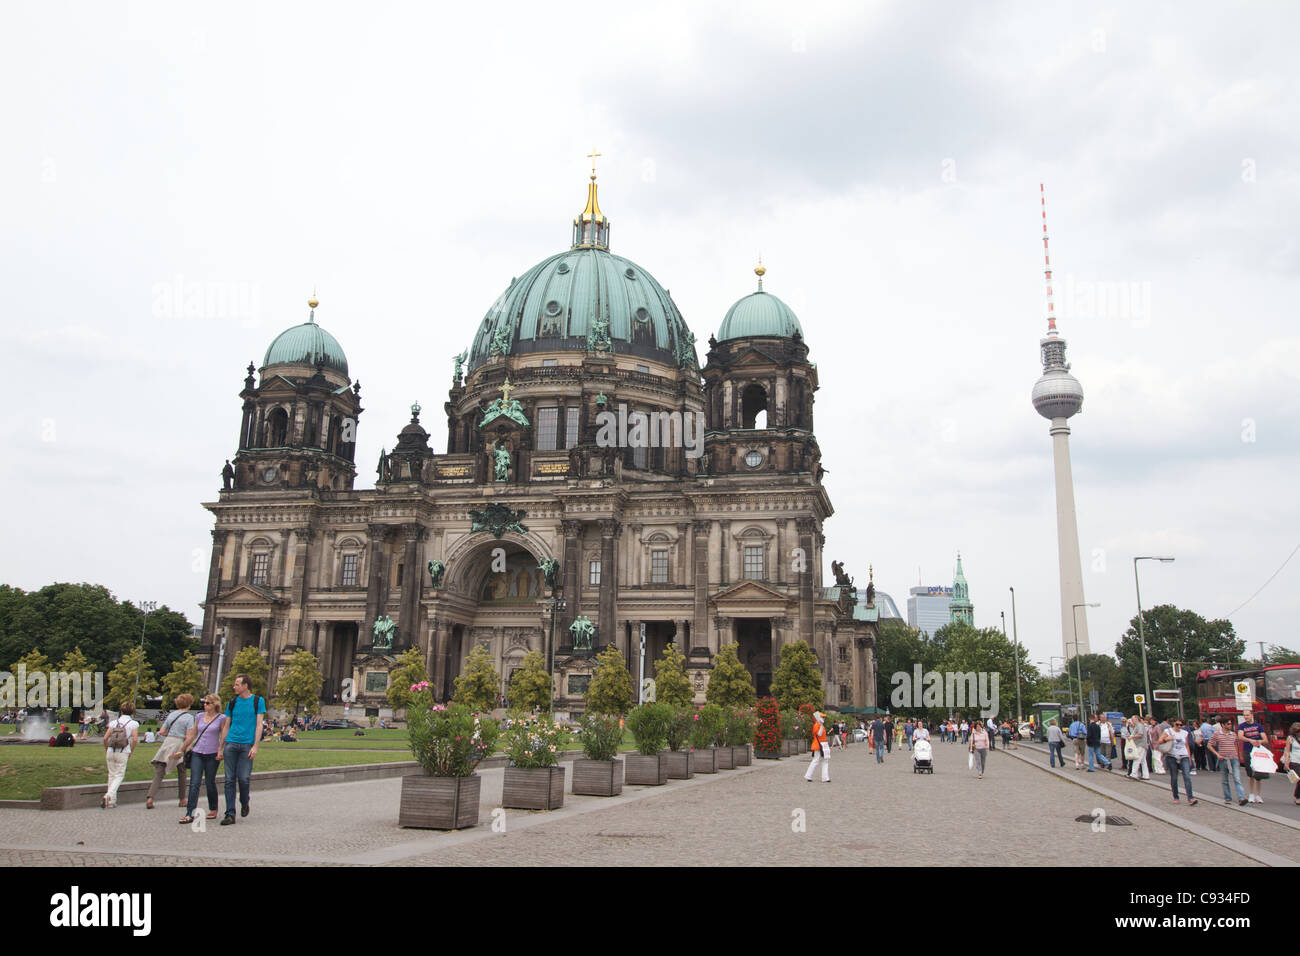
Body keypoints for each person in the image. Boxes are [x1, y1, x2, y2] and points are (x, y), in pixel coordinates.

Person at [217, 674, 266, 825]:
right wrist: (220, 747)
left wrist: (255, 746)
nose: (234, 686)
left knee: (244, 779)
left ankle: (244, 801)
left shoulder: (258, 701)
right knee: (229, 780)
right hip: (231, 743)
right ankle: (230, 813)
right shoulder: (232, 702)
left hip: (247, 744)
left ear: (245, 686)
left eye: (237, 684)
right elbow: (226, 726)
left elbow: (259, 725)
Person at [180, 694, 227, 824]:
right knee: (194, 783)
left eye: (208, 703)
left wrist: (220, 750)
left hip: (212, 754)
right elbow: (193, 734)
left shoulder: (221, 718)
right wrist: (182, 749)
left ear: (215, 705)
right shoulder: (199, 716)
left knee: (209, 781)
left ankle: (213, 808)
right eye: (204, 702)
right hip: (197, 752)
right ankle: (190, 813)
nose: (204, 705)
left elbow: (223, 735)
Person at [146, 694, 195, 810]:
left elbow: (162, 731)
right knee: (182, 771)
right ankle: (182, 799)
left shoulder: (172, 715)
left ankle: (150, 797)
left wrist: (170, 735)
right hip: (179, 744)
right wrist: (184, 748)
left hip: (168, 743)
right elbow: (189, 737)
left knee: (160, 772)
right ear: (189, 704)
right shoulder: (189, 717)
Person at [102, 703, 140, 809]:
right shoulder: (133, 723)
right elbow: (135, 739)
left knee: (111, 775)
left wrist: (107, 749)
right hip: (123, 751)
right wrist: (131, 751)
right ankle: (109, 795)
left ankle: (111, 801)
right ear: (132, 712)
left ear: (121, 711)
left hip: (110, 750)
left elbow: (105, 738)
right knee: (119, 775)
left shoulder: (114, 722)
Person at [1207, 715, 1247, 806]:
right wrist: (1217, 754)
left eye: (1230, 724)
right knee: (1225, 779)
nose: (1230, 725)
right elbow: (1209, 745)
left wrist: (1237, 755)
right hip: (1223, 759)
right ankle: (1227, 798)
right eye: (1228, 724)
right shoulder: (1217, 734)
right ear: (1222, 725)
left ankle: (1242, 797)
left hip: (1234, 758)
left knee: (1237, 778)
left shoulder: (1234, 734)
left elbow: (1236, 744)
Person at [1156, 719, 1198, 805]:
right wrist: (1166, 739)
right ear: (1173, 724)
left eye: (1181, 725)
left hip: (1184, 756)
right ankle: (1176, 796)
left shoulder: (1184, 733)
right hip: (1172, 756)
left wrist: (1189, 758)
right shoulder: (1168, 731)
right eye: (1177, 724)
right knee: (1174, 777)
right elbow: (1159, 741)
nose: (1179, 726)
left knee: (1187, 776)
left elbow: (1186, 745)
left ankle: (1190, 797)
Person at [1236, 710, 1271, 804]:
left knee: (1258, 774)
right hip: (1247, 751)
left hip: (1257, 752)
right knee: (1250, 773)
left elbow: (1265, 739)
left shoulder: (1258, 726)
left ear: (1252, 715)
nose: (1246, 717)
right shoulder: (1242, 726)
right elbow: (1240, 736)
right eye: (1244, 715)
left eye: (1247, 715)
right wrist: (1250, 740)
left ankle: (1258, 795)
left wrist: (1259, 741)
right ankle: (1251, 794)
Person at [804, 711, 830, 783]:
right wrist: (821, 725)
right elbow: (819, 734)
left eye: (824, 717)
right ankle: (808, 775)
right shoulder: (816, 725)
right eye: (822, 717)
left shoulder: (820, 725)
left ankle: (825, 777)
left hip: (823, 744)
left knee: (825, 760)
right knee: (816, 760)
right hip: (818, 745)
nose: (824, 718)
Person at [1281, 722, 1300, 806]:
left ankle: (1297, 795)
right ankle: (1297, 796)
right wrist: (1286, 763)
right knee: (1299, 778)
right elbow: (1287, 751)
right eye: (1297, 731)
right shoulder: (1290, 738)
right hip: (1294, 761)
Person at [1127, 716, 1150, 780]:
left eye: (1133, 719)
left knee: (1137, 759)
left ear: (1137, 719)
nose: (1132, 720)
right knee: (1143, 761)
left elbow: (1140, 734)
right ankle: (1146, 775)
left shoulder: (1139, 725)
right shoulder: (1138, 725)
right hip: (1142, 744)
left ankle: (1134, 774)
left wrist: (1132, 737)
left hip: (1140, 744)